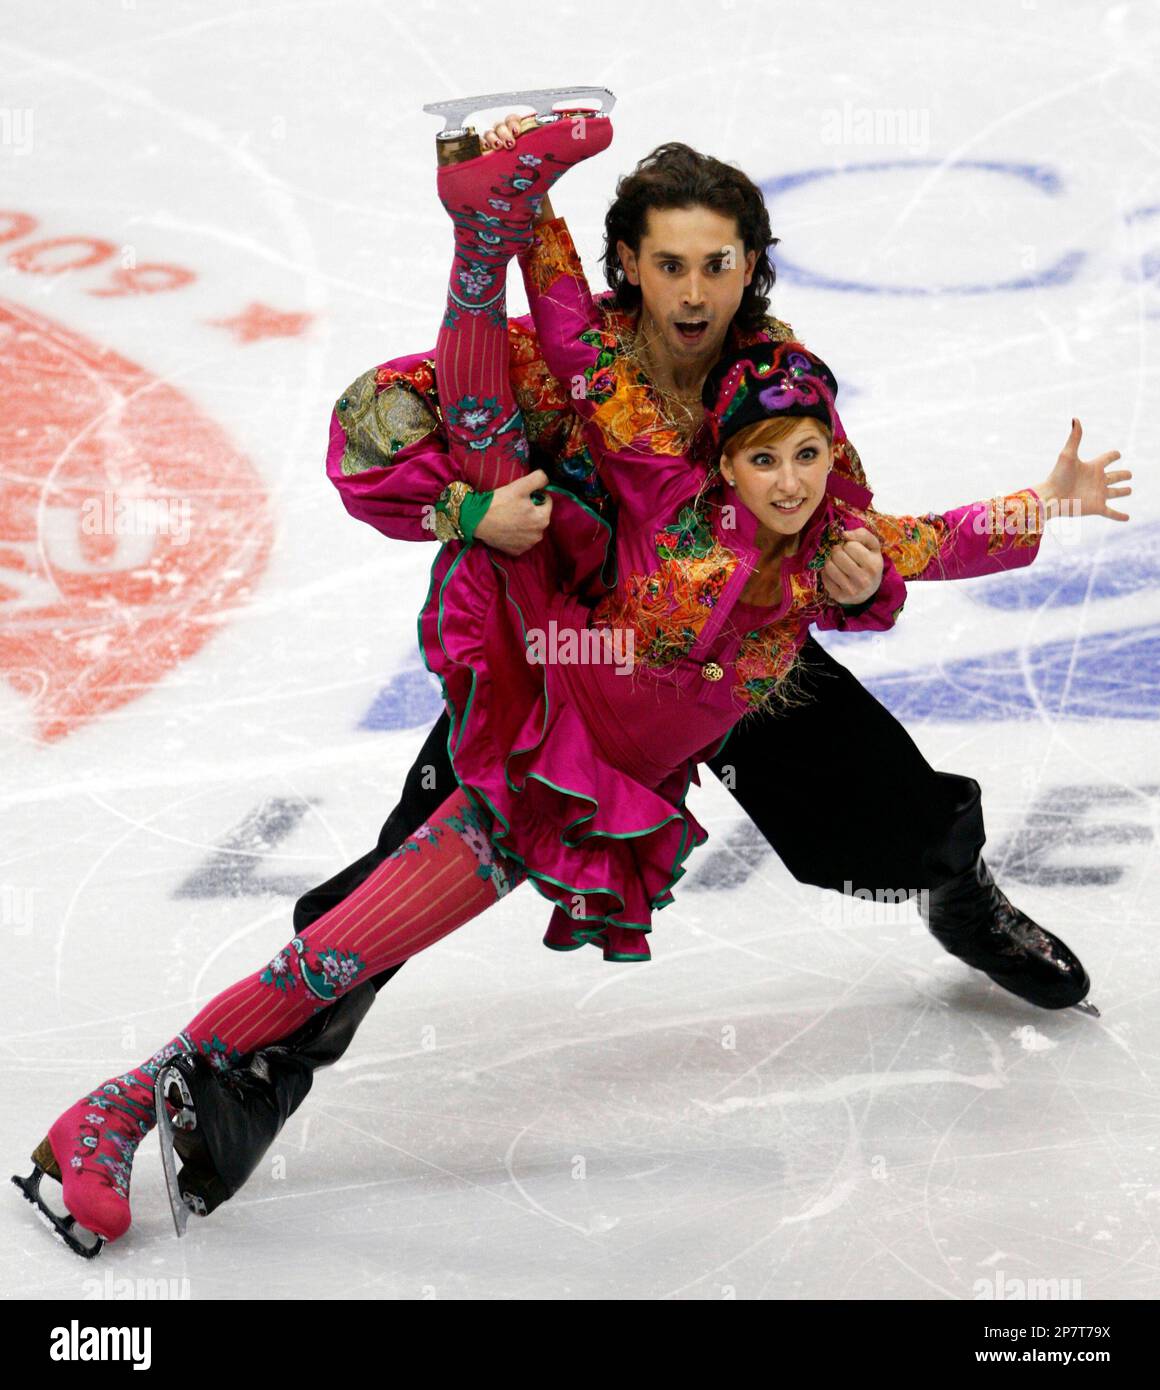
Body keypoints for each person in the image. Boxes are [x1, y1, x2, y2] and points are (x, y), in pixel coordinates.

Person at [16, 102, 1129, 1258]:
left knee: (898, 819)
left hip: (739, 669)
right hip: (568, 668)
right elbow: (397, 442)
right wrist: (471, 507)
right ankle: (254, 1069)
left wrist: (873, 574)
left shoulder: (782, 389)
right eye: (668, 263)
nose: (694, 290)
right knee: (393, 870)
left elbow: (884, 536)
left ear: (750, 267)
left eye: (718, 262)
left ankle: (957, 893)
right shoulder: (580, 376)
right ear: (628, 268)